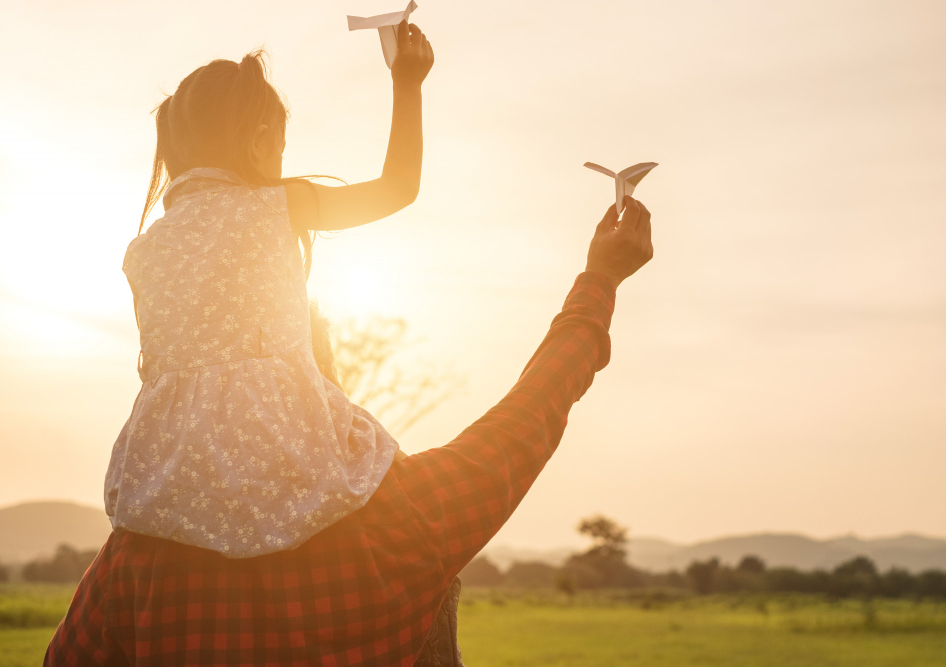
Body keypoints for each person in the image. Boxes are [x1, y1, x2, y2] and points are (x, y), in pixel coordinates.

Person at [46, 197, 654, 666]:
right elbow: (532, 411)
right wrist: (600, 279)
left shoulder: (140, 557)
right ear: (322, 384)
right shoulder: (405, 520)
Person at [104, 25, 434, 558]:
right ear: (259, 143)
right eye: (279, 148)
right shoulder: (280, 204)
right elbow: (398, 187)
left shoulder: (142, 250)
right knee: (420, 529)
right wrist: (408, 82)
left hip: (162, 471)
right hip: (284, 446)